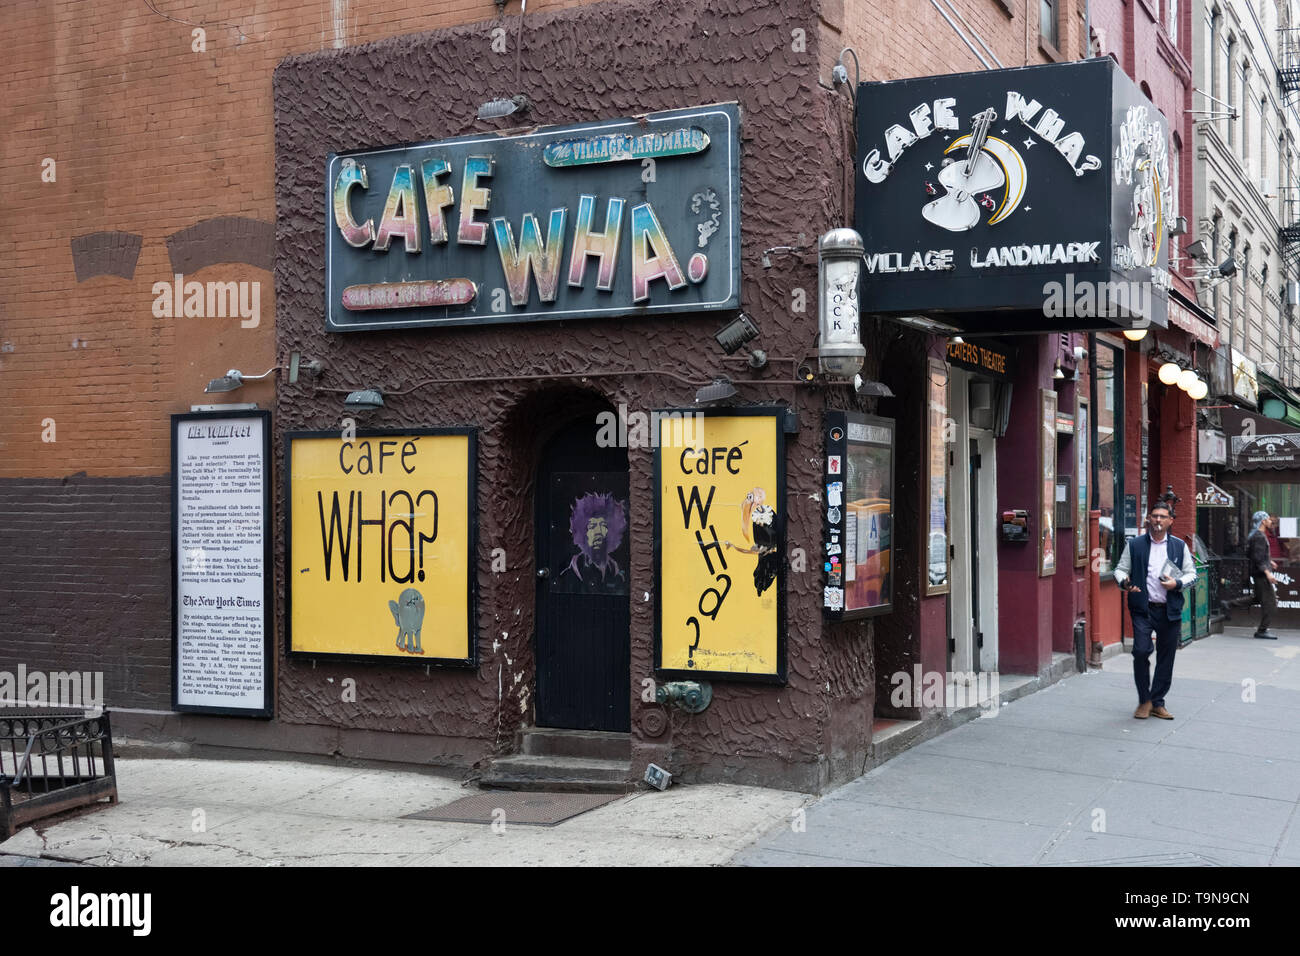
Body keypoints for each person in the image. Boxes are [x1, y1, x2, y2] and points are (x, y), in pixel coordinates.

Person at [1113, 501, 1197, 719]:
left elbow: (1192, 574)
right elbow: (1120, 569)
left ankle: (1157, 702)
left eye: (1162, 516)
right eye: (1154, 516)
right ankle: (1144, 700)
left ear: (1171, 521)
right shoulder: (1135, 545)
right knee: (1141, 651)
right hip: (1143, 608)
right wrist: (1125, 583)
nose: (1158, 520)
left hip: (1169, 610)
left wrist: (1176, 584)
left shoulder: (1180, 546)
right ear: (1149, 519)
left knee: (1166, 658)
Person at [1246, 510, 1278, 640]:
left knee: (1257, 599)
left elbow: (1253, 554)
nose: (1271, 521)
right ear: (1263, 521)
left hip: (1259, 573)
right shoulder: (1259, 536)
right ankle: (1262, 630)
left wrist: (1269, 561)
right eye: (1269, 519)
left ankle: (1228, 604)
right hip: (1261, 574)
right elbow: (1258, 558)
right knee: (1271, 604)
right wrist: (1268, 573)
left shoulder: (1256, 535)